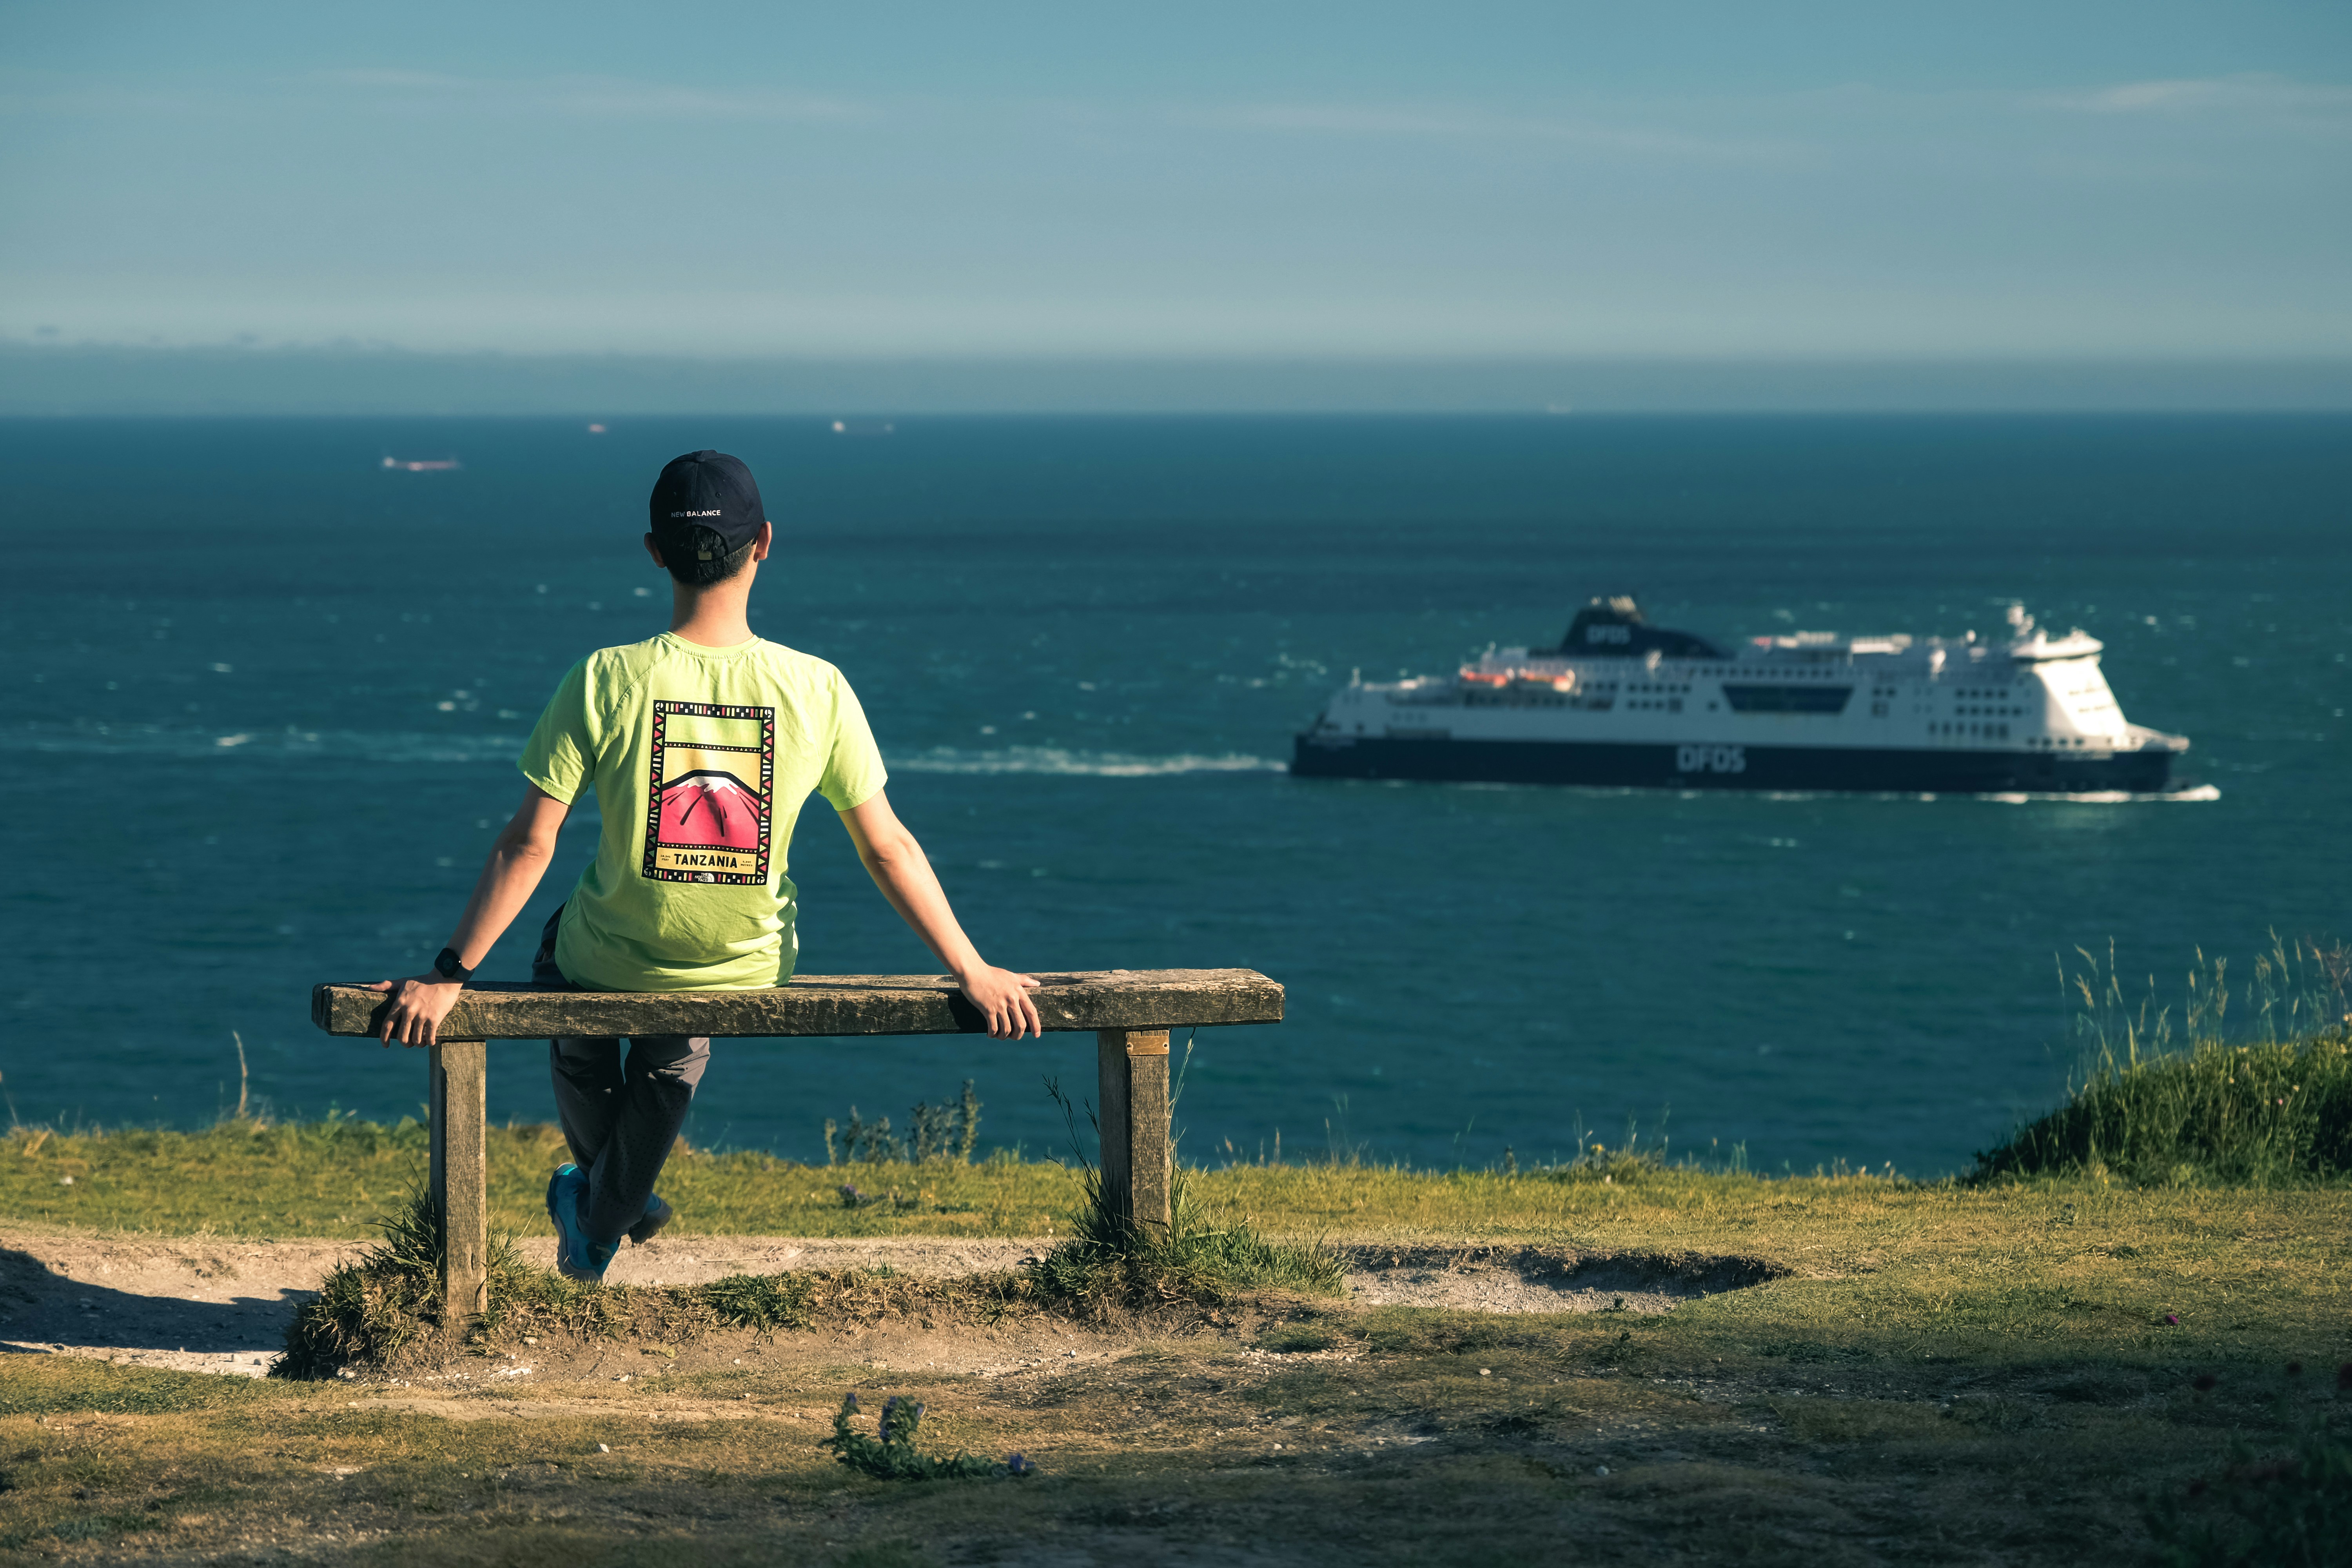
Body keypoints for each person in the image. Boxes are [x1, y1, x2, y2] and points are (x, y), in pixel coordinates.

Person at [368, 450, 1040, 1281]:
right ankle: (614, 1200)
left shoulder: (605, 677)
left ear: (654, 551)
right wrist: (970, 966)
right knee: (664, 1043)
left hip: (603, 954)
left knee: (568, 994)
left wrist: (450, 971)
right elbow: (888, 845)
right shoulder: (818, 687)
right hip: (739, 963)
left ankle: (608, 1204)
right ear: (764, 542)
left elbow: (527, 844)